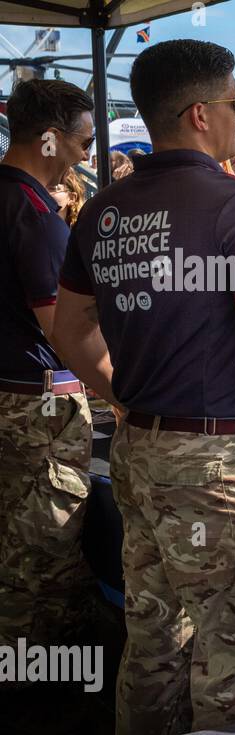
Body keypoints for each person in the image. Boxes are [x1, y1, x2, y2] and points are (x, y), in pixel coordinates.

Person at [52, 39, 235, 735]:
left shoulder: (106, 209)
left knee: (154, 639)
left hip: (141, 451)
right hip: (221, 465)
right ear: (198, 115)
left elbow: (70, 328)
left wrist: (124, 395)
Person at [0, 78, 97, 650]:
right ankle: (29, 688)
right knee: (39, 558)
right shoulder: (36, 217)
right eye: (82, 142)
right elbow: (66, 331)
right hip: (36, 407)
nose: (85, 156)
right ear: (50, 141)